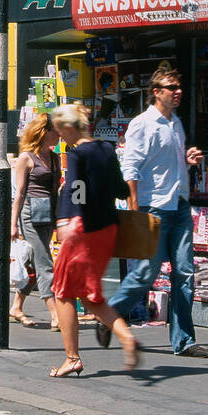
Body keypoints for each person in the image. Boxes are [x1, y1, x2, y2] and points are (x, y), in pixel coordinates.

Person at [102, 68, 208, 357]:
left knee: (185, 273)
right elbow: (131, 167)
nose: (178, 91)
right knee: (146, 274)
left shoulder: (175, 123)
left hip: (180, 205)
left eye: (179, 87)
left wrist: (186, 159)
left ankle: (184, 341)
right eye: (171, 87)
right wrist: (136, 209)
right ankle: (110, 315)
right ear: (156, 91)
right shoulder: (142, 124)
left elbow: (165, 163)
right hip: (155, 209)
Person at [48, 104, 140, 376]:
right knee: (89, 295)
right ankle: (126, 336)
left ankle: (72, 357)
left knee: (63, 291)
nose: (59, 136)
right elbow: (120, 187)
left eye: (58, 130)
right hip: (107, 228)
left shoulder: (76, 153)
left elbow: (75, 187)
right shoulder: (106, 149)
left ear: (67, 128)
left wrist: (66, 219)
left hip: (82, 229)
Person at [10, 112, 61, 329]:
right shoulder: (26, 158)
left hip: (49, 214)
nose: (59, 135)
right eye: (56, 130)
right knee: (45, 263)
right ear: (44, 132)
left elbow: (56, 189)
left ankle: (16, 307)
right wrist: (13, 224)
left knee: (33, 260)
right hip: (30, 215)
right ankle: (56, 315)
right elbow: (19, 193)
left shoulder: (55, 157)